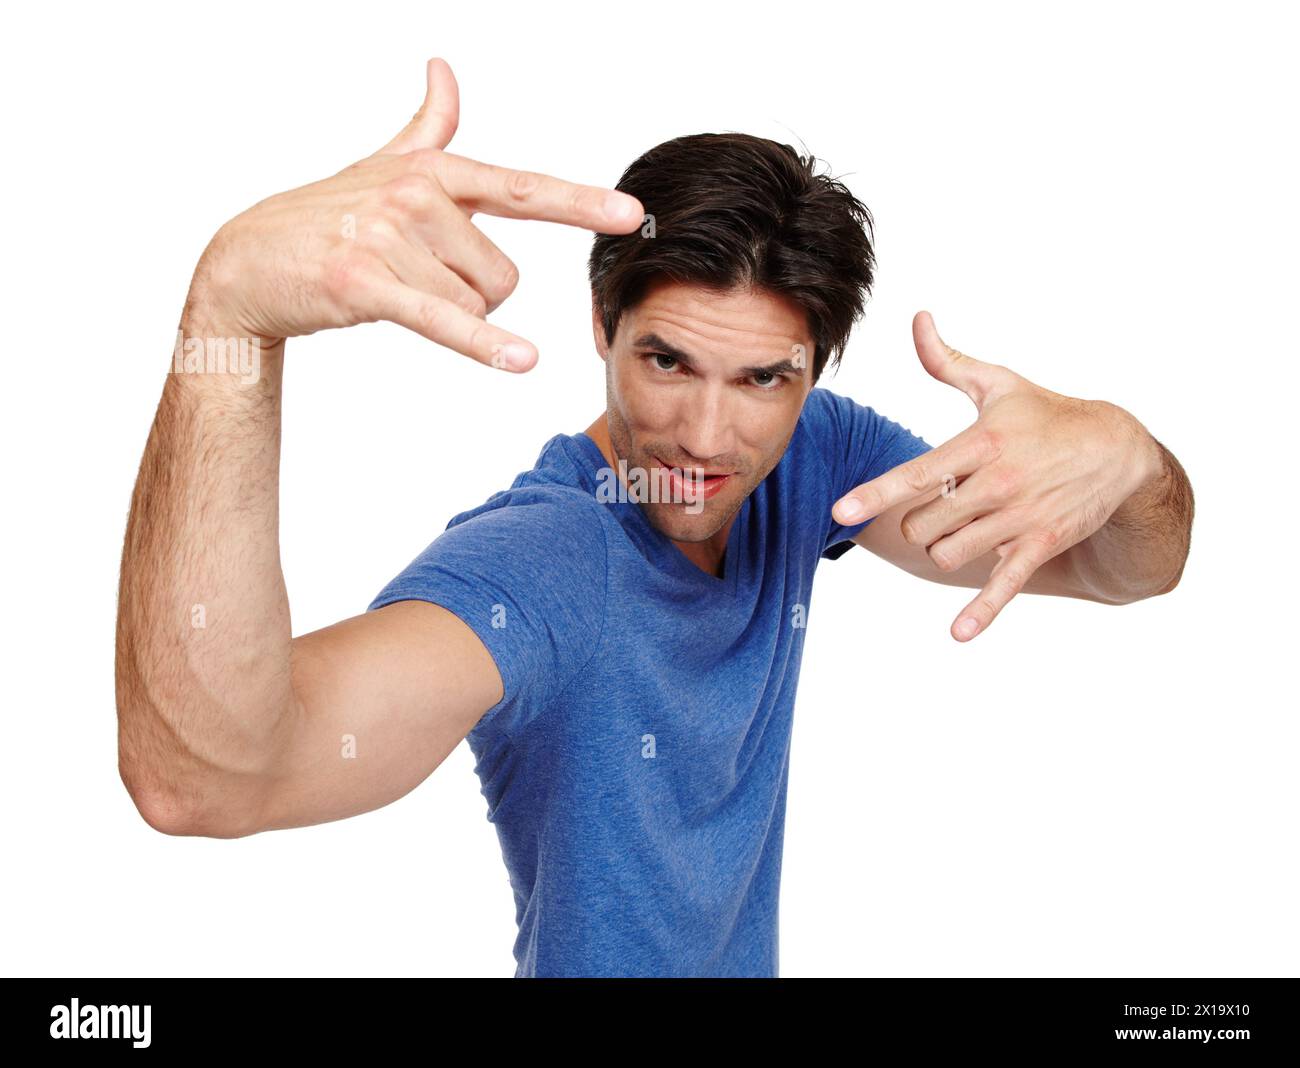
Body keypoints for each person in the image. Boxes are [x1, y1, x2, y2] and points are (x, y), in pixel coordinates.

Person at [115, 58, 1194, 977]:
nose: (707, 440)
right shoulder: (538, 566)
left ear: (813, 373)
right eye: (666, 361)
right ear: (600, 323)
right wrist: (230, 328)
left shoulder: (819, 455)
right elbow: (201, 780)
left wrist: (1123, 454)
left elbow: (1132, 567)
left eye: (764, 380)